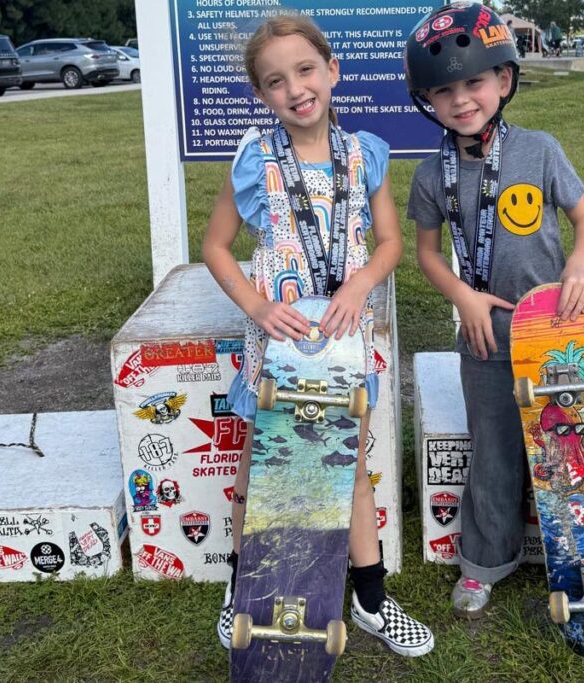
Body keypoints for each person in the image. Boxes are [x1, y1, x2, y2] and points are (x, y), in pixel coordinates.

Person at [202, 13, 434, 657]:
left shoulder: (366, 154)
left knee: (350, 468)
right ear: (261, 95)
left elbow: (389, 244)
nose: (295, 89)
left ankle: (370, 599)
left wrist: (358, 285)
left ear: (332, 71)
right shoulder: (253, 158)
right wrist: (255, 305)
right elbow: (217, 247)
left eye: (305, 70)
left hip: (341, 340)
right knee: (263, 468)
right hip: (277, 343)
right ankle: (242, 589)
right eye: (275, 81)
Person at [403, 3, 584, 619]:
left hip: (555, 331)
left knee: (569, 445)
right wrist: (461, 295)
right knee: (492, 451)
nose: (462, 100)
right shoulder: (429, 173)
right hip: (486, 335)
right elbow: (427, 254)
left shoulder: (540, 151)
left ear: (504, 81)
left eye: (474, 82)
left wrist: (579, 267)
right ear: (427, 101)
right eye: (445, 90)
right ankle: (485, 562)